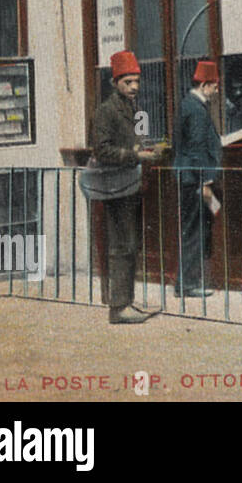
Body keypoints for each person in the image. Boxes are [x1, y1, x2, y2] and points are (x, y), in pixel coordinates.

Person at [92, 50, 161, 324]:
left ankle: (126, 301)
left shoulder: (133, 109)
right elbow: (102, 151)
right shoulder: (106, 111)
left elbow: (135, 141)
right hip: (115, 187)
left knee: (130, 245)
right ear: (115, 83)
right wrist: (136, 155)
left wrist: (145, 149)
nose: (134, 87)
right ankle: (119, 307)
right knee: (121, 245)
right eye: (127, 82)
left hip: (131, 185)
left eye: (136, 81)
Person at [173, 60, 222, 298]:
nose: (216, 91)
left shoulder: (188, 105)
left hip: (189, 178)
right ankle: (187, 284)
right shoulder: (196, 109)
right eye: (214, 87)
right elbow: (196, 149)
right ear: (204, 85)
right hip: (194, 180)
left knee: (192, 230)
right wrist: (205, 182)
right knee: (194, 231)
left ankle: (187, 282)